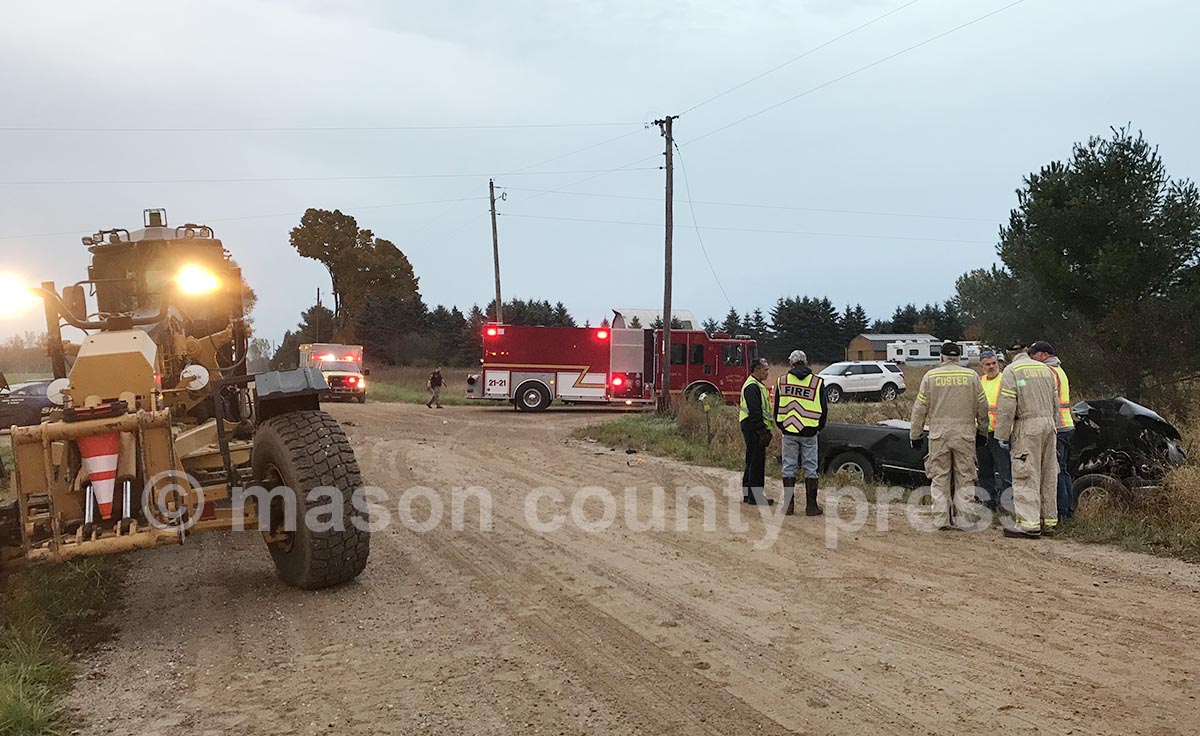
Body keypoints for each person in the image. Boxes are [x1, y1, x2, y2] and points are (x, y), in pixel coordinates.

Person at [909, 342, 989, 530]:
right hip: (965, 434)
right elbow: (983, 407)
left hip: (939, 435)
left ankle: (940, 519)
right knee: (965, 477)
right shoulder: (971, 376)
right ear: (958, 358)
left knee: (939, 477)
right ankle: (965, 519)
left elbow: (919, 409)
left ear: (941, 357)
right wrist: (982, 432)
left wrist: (915, 434)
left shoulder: (930, 377)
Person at [994, 345, 1059, 538]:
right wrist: (1053, 425)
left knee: (1026, 475)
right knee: (1048, 474)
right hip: (1049, 425)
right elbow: (1055, 402)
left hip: (1027, 426)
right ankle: (1049, 521)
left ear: (1009, 355)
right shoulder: (1045, 369)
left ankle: (1029, 524)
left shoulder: (1012, 371)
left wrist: (1002, 435)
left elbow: (1007, 406)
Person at [773, 350, 827, 516]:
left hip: (789, 430)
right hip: (810, 431)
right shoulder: (817, 382)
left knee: (788, 467)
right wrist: (818, 427)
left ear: (791, 363)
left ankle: (788, 507)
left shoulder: (782, 381)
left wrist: (782, 426)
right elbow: (824, 408)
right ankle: (811, 507)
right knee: (811, 468)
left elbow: (777, 407)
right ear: (806, 362)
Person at [1030, 340, 1075, 521]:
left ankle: (1061, 512)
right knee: (1063, 470)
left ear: (1044, 355)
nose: (1031, 357)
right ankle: (1068, 511)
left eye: (1034, 354)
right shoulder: (1058, 369)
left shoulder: (1048, 371)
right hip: (1066, 424)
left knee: (1055, 471)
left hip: (1058, 426)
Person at [976, 350, 1013, 511]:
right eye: (987, 364)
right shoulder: (979, 382)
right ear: (982, 366)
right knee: (984, 471)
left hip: (1001, 433)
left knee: (1006, 472)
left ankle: (1008, 505)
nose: (991, 367)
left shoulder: (1005, 380)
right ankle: (989, 503)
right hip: (983, 433)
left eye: (994, 363)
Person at [739, 358, 774, 506]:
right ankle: (756, 497)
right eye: (765, 370)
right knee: (757, 463)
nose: (767, 373)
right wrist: (762, 431)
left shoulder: (755, 384)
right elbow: (755, 412)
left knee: (751, 460)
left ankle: (748, 494)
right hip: (754, 427)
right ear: (757, 370)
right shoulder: (753, 387)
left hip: (750, 425)